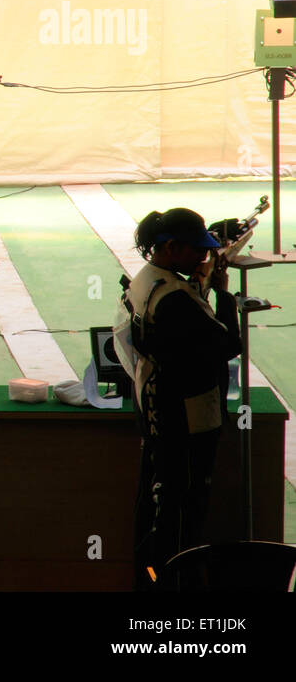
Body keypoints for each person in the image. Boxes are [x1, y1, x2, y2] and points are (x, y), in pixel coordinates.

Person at [125, 207, 240, 591]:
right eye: (196, 251)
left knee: (157, 510)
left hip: (157, 410)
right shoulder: (174, 296)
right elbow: (226, 343)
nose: (203, 258)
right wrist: (223, 295)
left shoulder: (147, 280)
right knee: (181, 517)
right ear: (171, 247)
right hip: (186, 421)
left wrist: (201, 281)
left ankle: (153, 580)